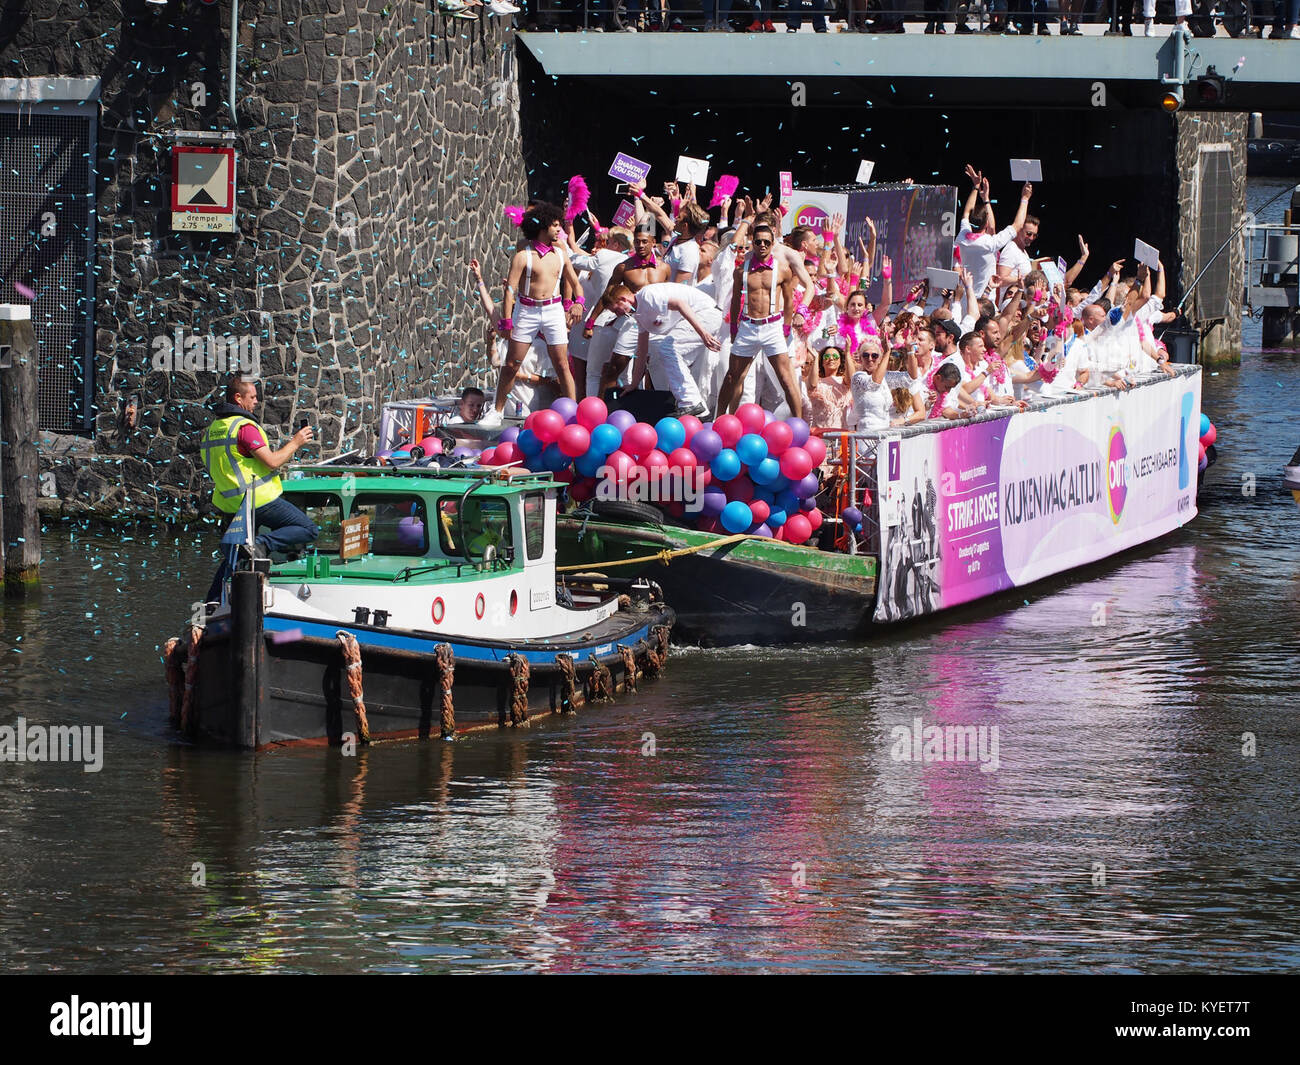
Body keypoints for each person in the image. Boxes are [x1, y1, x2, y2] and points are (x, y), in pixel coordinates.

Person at [201, 376, 317, 602]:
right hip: (257, 500)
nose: (256, 401)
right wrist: (296, 442)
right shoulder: (244, 427)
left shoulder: (213, 429)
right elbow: (272, 462)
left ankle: (211, 605)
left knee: (233, 558)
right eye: (252, 397)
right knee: (308, 529)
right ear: (238, 398)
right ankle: (261, 545)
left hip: (229, 504)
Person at [486, 202, 582, 425]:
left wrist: (579, 303)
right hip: (526, 310)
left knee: (562, 365)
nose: (560, 230)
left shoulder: (560, 254)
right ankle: (497, 411)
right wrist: (507, 321)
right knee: (511, 364)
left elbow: (575, 284)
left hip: (553, 310)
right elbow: (510, 291)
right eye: (555, 225)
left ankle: (574, 415)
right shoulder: (523, 255)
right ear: (543, 227)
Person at [719, 222, 804, 418]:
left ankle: (800, 424)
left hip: (773, 325)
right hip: (748, 326)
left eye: (767, 242)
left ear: (773, 244)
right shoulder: (742, 270)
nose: (763, 245)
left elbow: (790, 301)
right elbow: (734, 302)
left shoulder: (782, 269)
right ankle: (719, 418)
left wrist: (786, 328)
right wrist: (733, 328)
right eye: (759, 242)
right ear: (753, 243)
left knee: (786, 378)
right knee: (733, 376)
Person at [614, 281, 724, 419]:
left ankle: (691, 403)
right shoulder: (640, 316)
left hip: (706, 314)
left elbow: (680, 304)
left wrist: (703, 333)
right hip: (700, 319)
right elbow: (642, 352)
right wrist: (634, 384)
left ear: (623, 299)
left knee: (667, 348)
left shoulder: (647, 296)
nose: (617, 314)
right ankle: (702, 412)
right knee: (674, 357)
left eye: (616, 309)